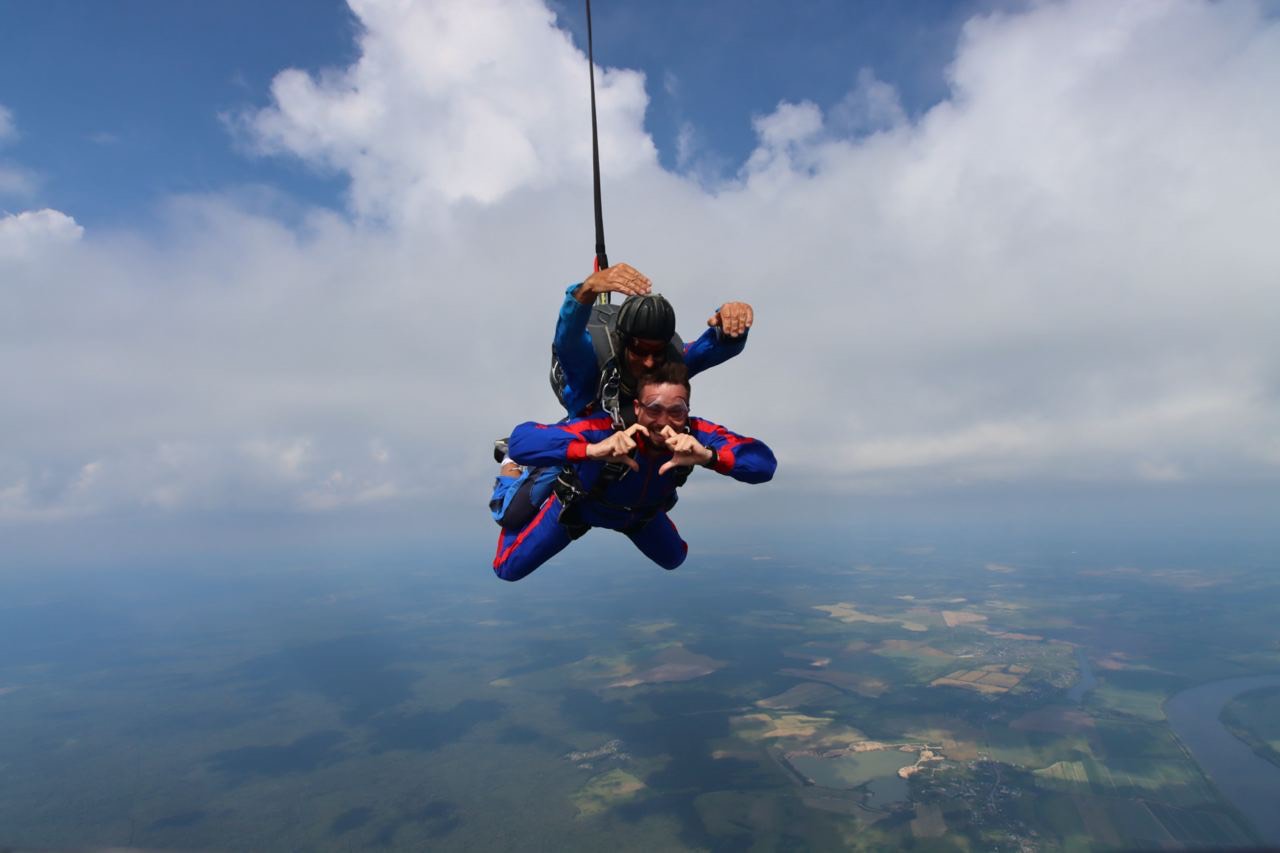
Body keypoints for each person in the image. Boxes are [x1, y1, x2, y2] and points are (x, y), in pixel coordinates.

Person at [490, 262, 755, 528]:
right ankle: (510, 456)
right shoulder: (591, 367)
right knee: (512, 513)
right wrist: (586, 291)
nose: (650, 362)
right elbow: (567, 341)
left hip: (624, 448)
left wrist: (732, 324)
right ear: (623, 342)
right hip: (586, 435)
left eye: (658, 351)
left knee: (661, 496)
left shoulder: (669, 364)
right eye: (640, 349)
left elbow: (710, 349)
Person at [492, 362, 775, 582]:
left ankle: (564, 456)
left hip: (639, 515)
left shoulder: (697, 433)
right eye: (654, 409)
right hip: (579, 507)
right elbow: (521, 442)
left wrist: (709, 457)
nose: (664, 422)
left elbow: (764, 464)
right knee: (507, 567)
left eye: (676, 410)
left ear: (688, 410)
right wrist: (592, 451)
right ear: (637, 408)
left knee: (674, 558)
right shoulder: (607, 428)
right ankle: (532, 467)